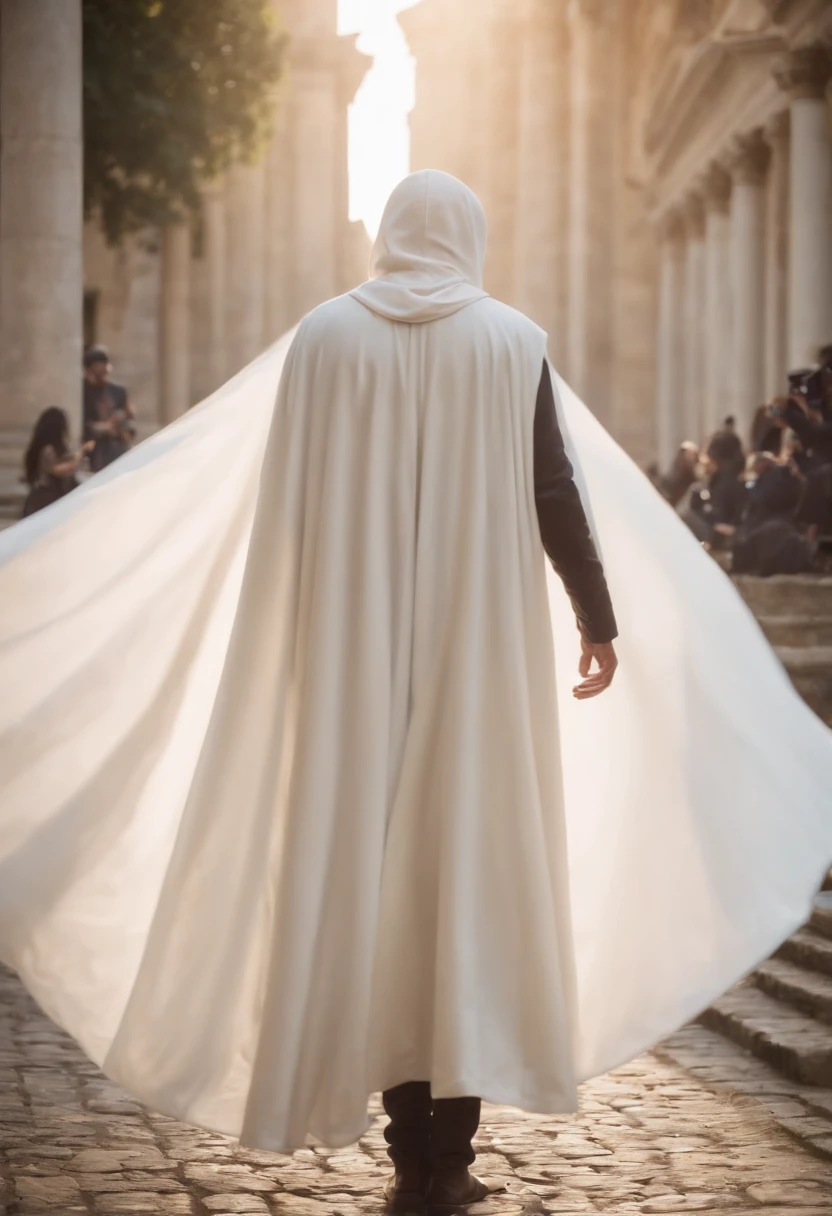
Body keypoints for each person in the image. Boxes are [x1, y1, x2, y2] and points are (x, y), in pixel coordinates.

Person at [1, 172, 832, 1212]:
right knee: (465, 880)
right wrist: (598, 620)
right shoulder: (511, 342)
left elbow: (288, 507)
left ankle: (408, 1153)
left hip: (349, 666)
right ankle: (449, 1156)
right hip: (479, 662)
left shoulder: (323, 339)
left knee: (375, 890)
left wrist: (289, 644)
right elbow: (555, 492)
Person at [21, 407, 91, 518]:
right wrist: (78, 457)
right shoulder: (47, 450)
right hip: (44, 501)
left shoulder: (59, 448)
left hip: (55, 498)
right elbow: (56, 470)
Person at [82, 345, 136, 472]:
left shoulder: (117, 391)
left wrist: (122, 418)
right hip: (94, 449)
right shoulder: (83, 391)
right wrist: (102, 426)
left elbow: (128, 415)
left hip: (117, 446)